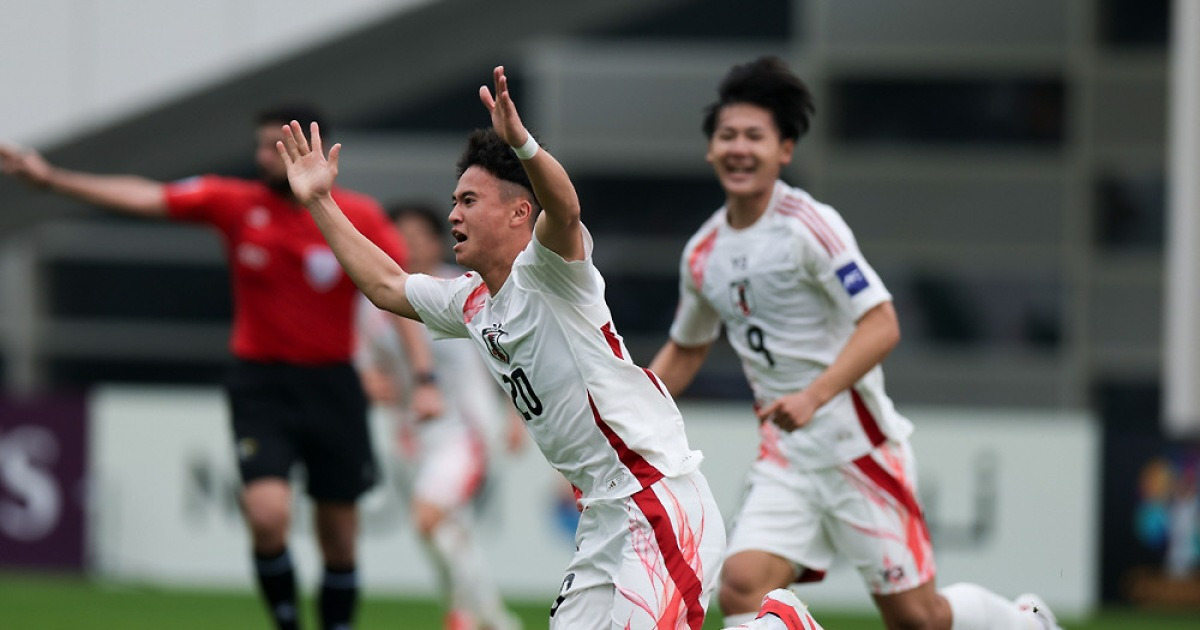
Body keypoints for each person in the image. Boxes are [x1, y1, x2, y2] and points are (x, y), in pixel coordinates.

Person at [275, 64, 815, 630]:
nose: (453, 215)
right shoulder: (470, 302)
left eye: (468, 200)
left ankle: (779, 623)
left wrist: (523, 145)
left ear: (518, 213)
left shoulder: (551, 269)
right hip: (601, 515)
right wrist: (320, 202)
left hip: (654, 498)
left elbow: (566, 209)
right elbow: (385, 285)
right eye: (453, 202)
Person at [648, 55, 1062, 630]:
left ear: (785, 150)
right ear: (710, 150)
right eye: (727, 136)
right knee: (740, 588)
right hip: (786, 457)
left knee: (918, 617)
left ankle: (1022, 623)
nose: (739, 148)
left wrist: (813, 396)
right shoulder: (702, 251)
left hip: (858, 449)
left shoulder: (810, 226)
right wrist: (625, 419)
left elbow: (882, 322)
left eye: (755, 137)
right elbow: (688, 348)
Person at [0, 107, 435, 630]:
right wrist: (50, 179)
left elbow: (400, 293)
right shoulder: (234, 203)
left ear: (312, 151)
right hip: (260, 382)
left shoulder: (357, 216)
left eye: (276, 145)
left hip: (332, 383)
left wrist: (423, 378)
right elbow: (147, 195)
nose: (263, 157)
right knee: (267, 516)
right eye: (261, 146)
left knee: (339, 535)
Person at [354, 201, 523, 630]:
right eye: (398, 239)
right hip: (413, 437)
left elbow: (509, 354)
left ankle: (475, 617)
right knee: (444, 530)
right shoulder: (375, 301)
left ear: (437, 241)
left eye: (416, 237)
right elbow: (364, 364)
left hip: (466, 430)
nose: (407, 246)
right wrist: (372, 382)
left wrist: (514, 416)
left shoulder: (463, 288)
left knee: (429, 517)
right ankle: (482, 616)